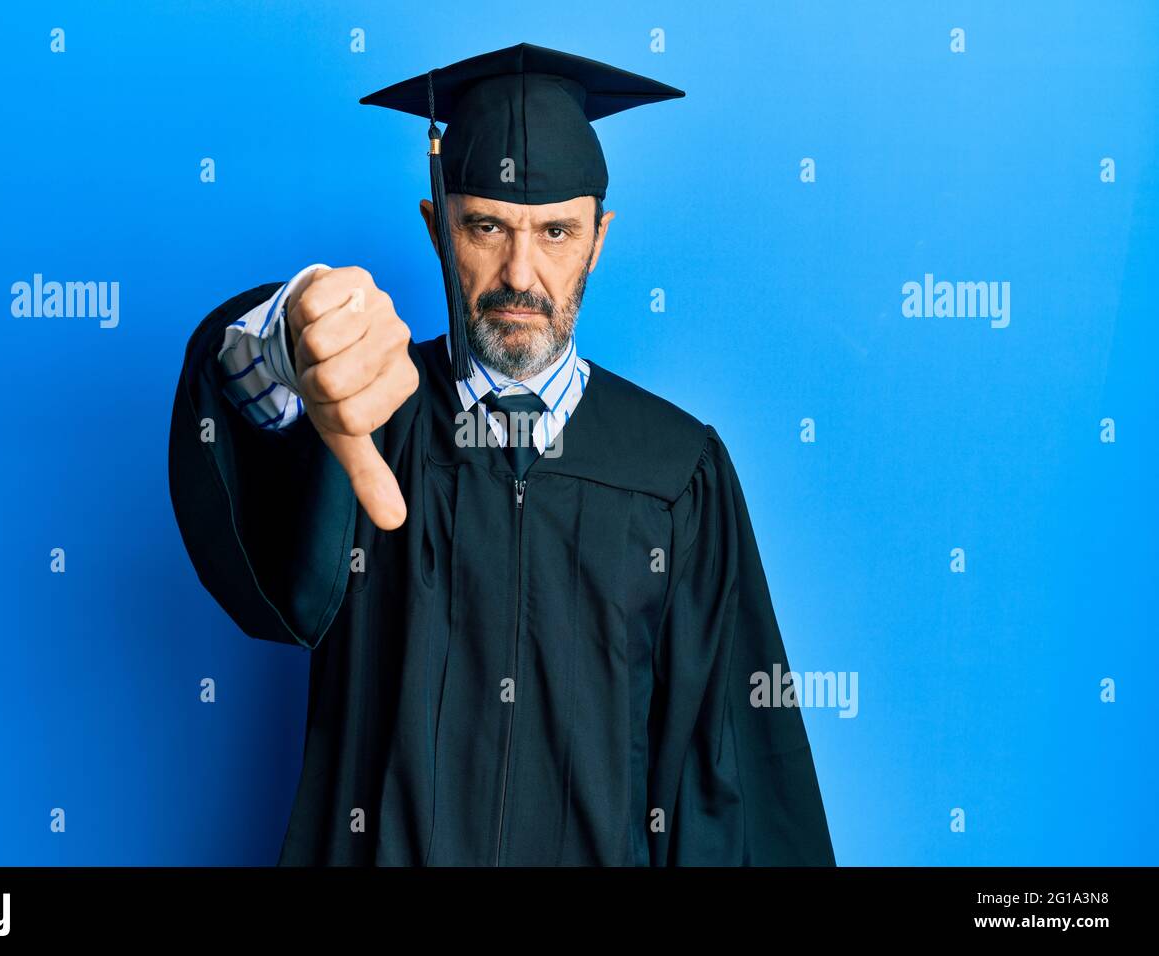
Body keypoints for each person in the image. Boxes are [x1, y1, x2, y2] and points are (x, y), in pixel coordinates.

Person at [168, 42, 836, 866]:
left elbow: (729, 769)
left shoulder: (675, 469)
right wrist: (284, 341)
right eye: (486, 225)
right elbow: (265, 533)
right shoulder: (365, 419)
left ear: (598, 239)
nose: (522, 274)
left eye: (556, 231)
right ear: (437, 227)